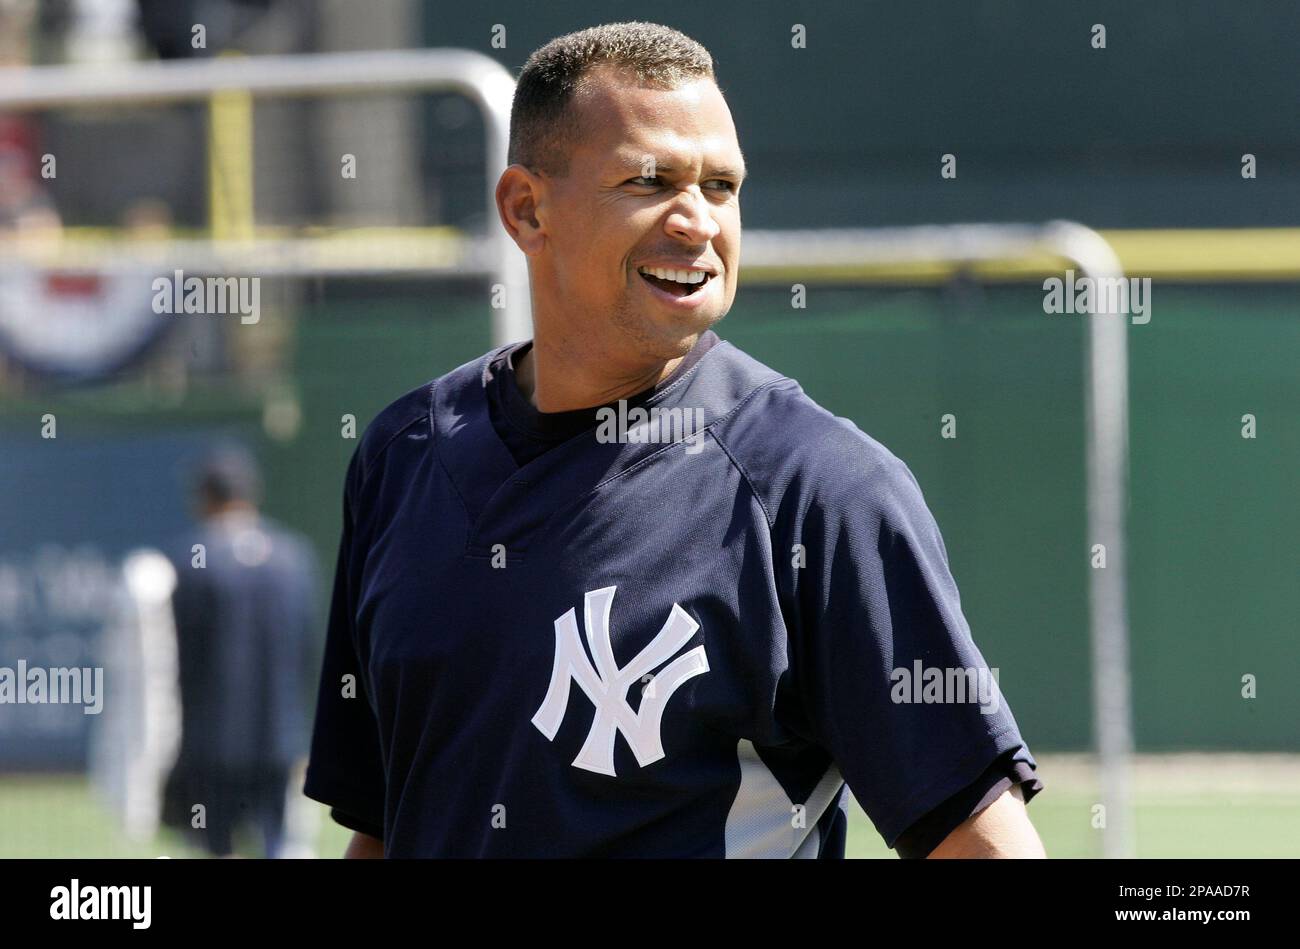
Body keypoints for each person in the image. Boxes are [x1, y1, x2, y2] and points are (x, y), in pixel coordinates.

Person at [305, 22, 1045, 858]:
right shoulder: (402, 453)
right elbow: (383, 823)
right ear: (526, 208)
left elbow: (985, 843)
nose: (698, 222)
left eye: (723, 187)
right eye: (650, 180)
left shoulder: (821, 491)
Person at [163, 445, 318, 857]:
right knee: (278, 845)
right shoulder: (293, 557)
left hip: (209, 743)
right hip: (277, 738)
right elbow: (305, 652)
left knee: (215, 849)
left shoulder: (189, 562)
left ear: (204, 496)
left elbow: (176, 660)